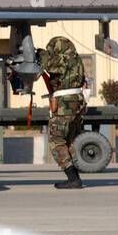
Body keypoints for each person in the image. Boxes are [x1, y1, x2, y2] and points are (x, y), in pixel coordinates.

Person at [40, 36, 86, 189]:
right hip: (78, 100)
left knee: (56, 140)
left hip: (65, 103)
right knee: (69, 140)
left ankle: (73, 178)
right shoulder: (76, 59)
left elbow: (47, 64)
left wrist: (38, 54)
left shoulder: (63, 59)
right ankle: (75, 177)